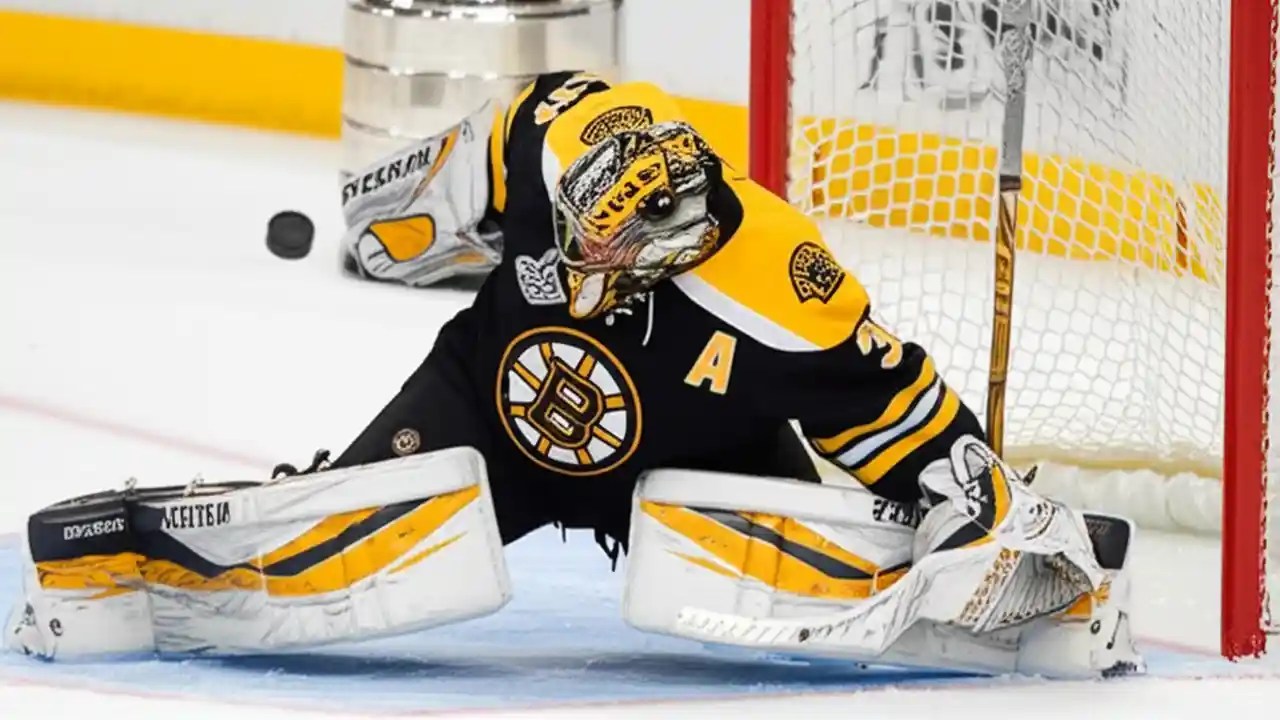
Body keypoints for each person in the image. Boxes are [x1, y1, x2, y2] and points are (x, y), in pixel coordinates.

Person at [7, 73, 1128, 674]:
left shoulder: (781, 292)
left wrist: (972, 498)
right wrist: (387, 228)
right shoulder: (558, 132)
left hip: (700, 457)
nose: (574, 252)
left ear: (669, 241)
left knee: (884, 565)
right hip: (478, 411)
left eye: (604, 249)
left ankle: (1040, 591)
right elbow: (447, 187)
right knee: (317, 571)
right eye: (571, 230)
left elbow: (900, 407)